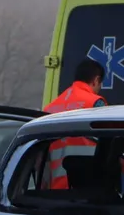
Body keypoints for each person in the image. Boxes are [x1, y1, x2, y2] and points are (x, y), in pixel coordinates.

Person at [43, 59, 108, 189]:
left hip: (56, 189)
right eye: (99, 84)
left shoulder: (50, 108)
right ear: (96, 80)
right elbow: (107, 143)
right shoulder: (96, 104)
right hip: (87, 185)